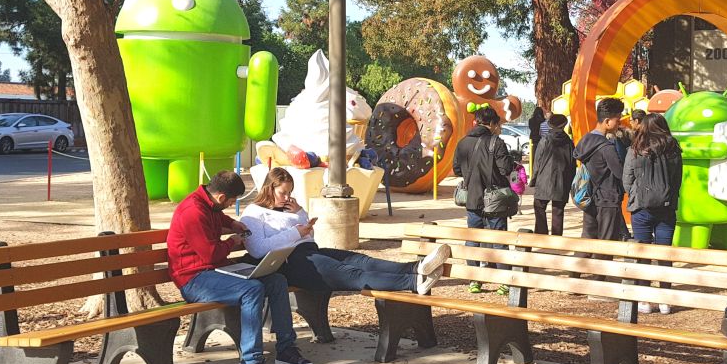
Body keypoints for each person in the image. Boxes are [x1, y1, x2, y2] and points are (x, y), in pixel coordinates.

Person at [167, 170, 310, 364]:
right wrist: (233, 241)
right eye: (231, 201)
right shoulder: (192, 211)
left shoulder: (209, 201)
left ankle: (286, 349)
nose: (230, 205)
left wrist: (233, 223)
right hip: (194, 279)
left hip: (215, 271)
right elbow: (212, 254)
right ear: (222, 197)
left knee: (276, 281)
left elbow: (218, 216)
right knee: (251, 290)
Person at [240, 167, 451, 293]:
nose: (287, 197)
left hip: (311, 252)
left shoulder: (288, 208)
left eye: (289, 192)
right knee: (353, 274)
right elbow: (258, 249)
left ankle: (416, 267)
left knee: (361, 260)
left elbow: (308, 235)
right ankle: (413, 282)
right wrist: (297, 231)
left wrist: (299, 214)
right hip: (293, 264)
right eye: (283, 192)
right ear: (270, 188)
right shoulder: (254, 213)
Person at [622, 113, 683, 314]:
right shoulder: (673, 149)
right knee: (664, 253)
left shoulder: (636, 149)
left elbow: (627, 179)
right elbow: (677, 180)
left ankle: (645, 300)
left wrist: (635, 195)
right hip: (666, 208)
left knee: (643, 253)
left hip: (641, 208)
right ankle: (665, 300)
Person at [453, 104, 516, 295]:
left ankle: (474, 280)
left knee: (473, 239)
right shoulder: (496, 143)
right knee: (498, 239)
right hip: (494, 200)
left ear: (477, 122)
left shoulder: (463, 142)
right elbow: (505, 169)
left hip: (472, 199)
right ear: (493, 123)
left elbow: (457, 169)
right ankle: (504, 282)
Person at [573, 98, 628, 242]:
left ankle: (583, 264)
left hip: (589, 198)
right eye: (618, 120)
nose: (619, 124)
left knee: (588, 242)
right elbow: (620, 173)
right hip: (608, 200)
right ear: (608, 121)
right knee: (606, 245)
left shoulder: (585, 141)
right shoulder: (606, 147)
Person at [529, 113, 575, 236]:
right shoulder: (569, 142)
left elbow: (537, 162)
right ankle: (556, 239)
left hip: (543, 180)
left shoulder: (545, 140)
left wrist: (533, 179)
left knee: (539, 208)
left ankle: (541, 234)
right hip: (561, 181)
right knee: (558, 211)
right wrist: (569, 183)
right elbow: (572, 164)